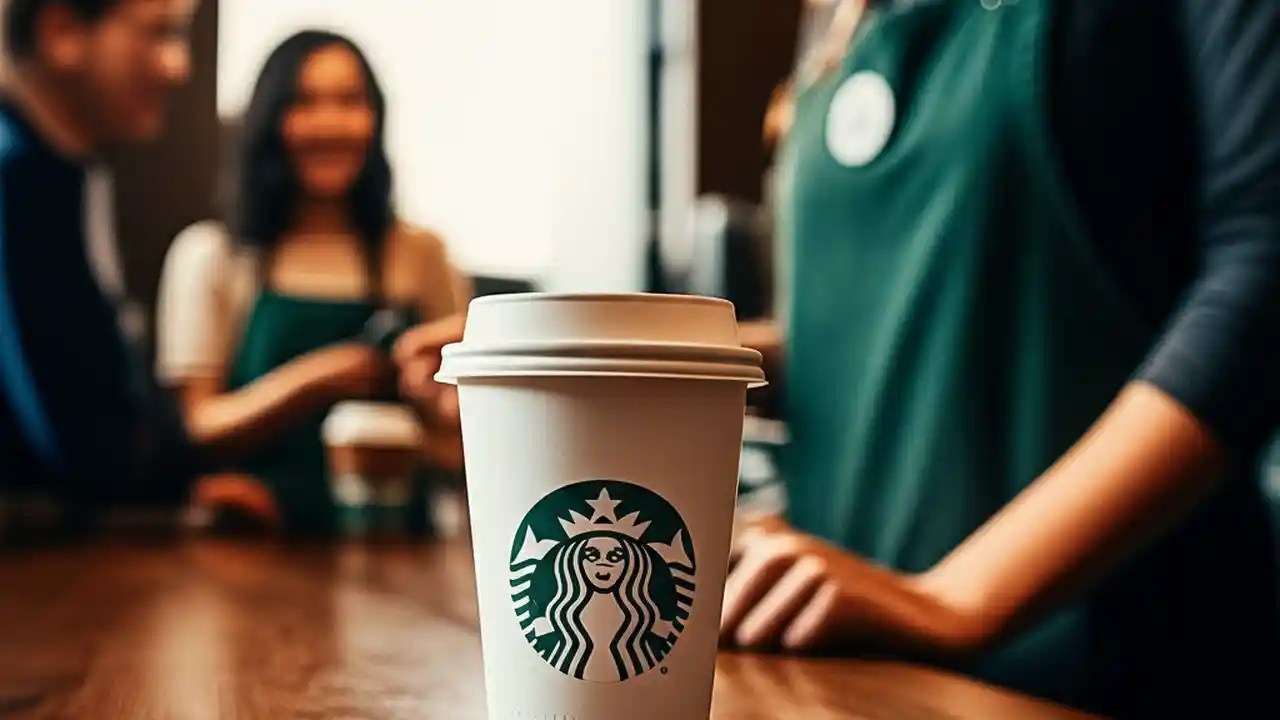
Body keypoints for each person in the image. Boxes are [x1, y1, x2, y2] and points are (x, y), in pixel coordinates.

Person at [398, 0, 1280, 716]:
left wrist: (953, 598)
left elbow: (1262, 279)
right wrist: (608, 365)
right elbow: (859, 330)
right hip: (857, 672)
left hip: (1112, 666)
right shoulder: (839, 17)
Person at [155, 30, 469, 534]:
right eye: (304, 102)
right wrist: (319, 378)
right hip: (255, 528)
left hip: (397, 537)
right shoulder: (213, 255)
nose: (330, 124)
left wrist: (432, 405)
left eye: (349, 101)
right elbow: (200, 424)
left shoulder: (421, 253)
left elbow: (463, 442)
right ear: (269, 120)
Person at [0, 0, 198, 517]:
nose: (179, 67)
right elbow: (76, 448)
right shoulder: (13, 173)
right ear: (62, 32)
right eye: (159, 34)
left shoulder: (66, 173)